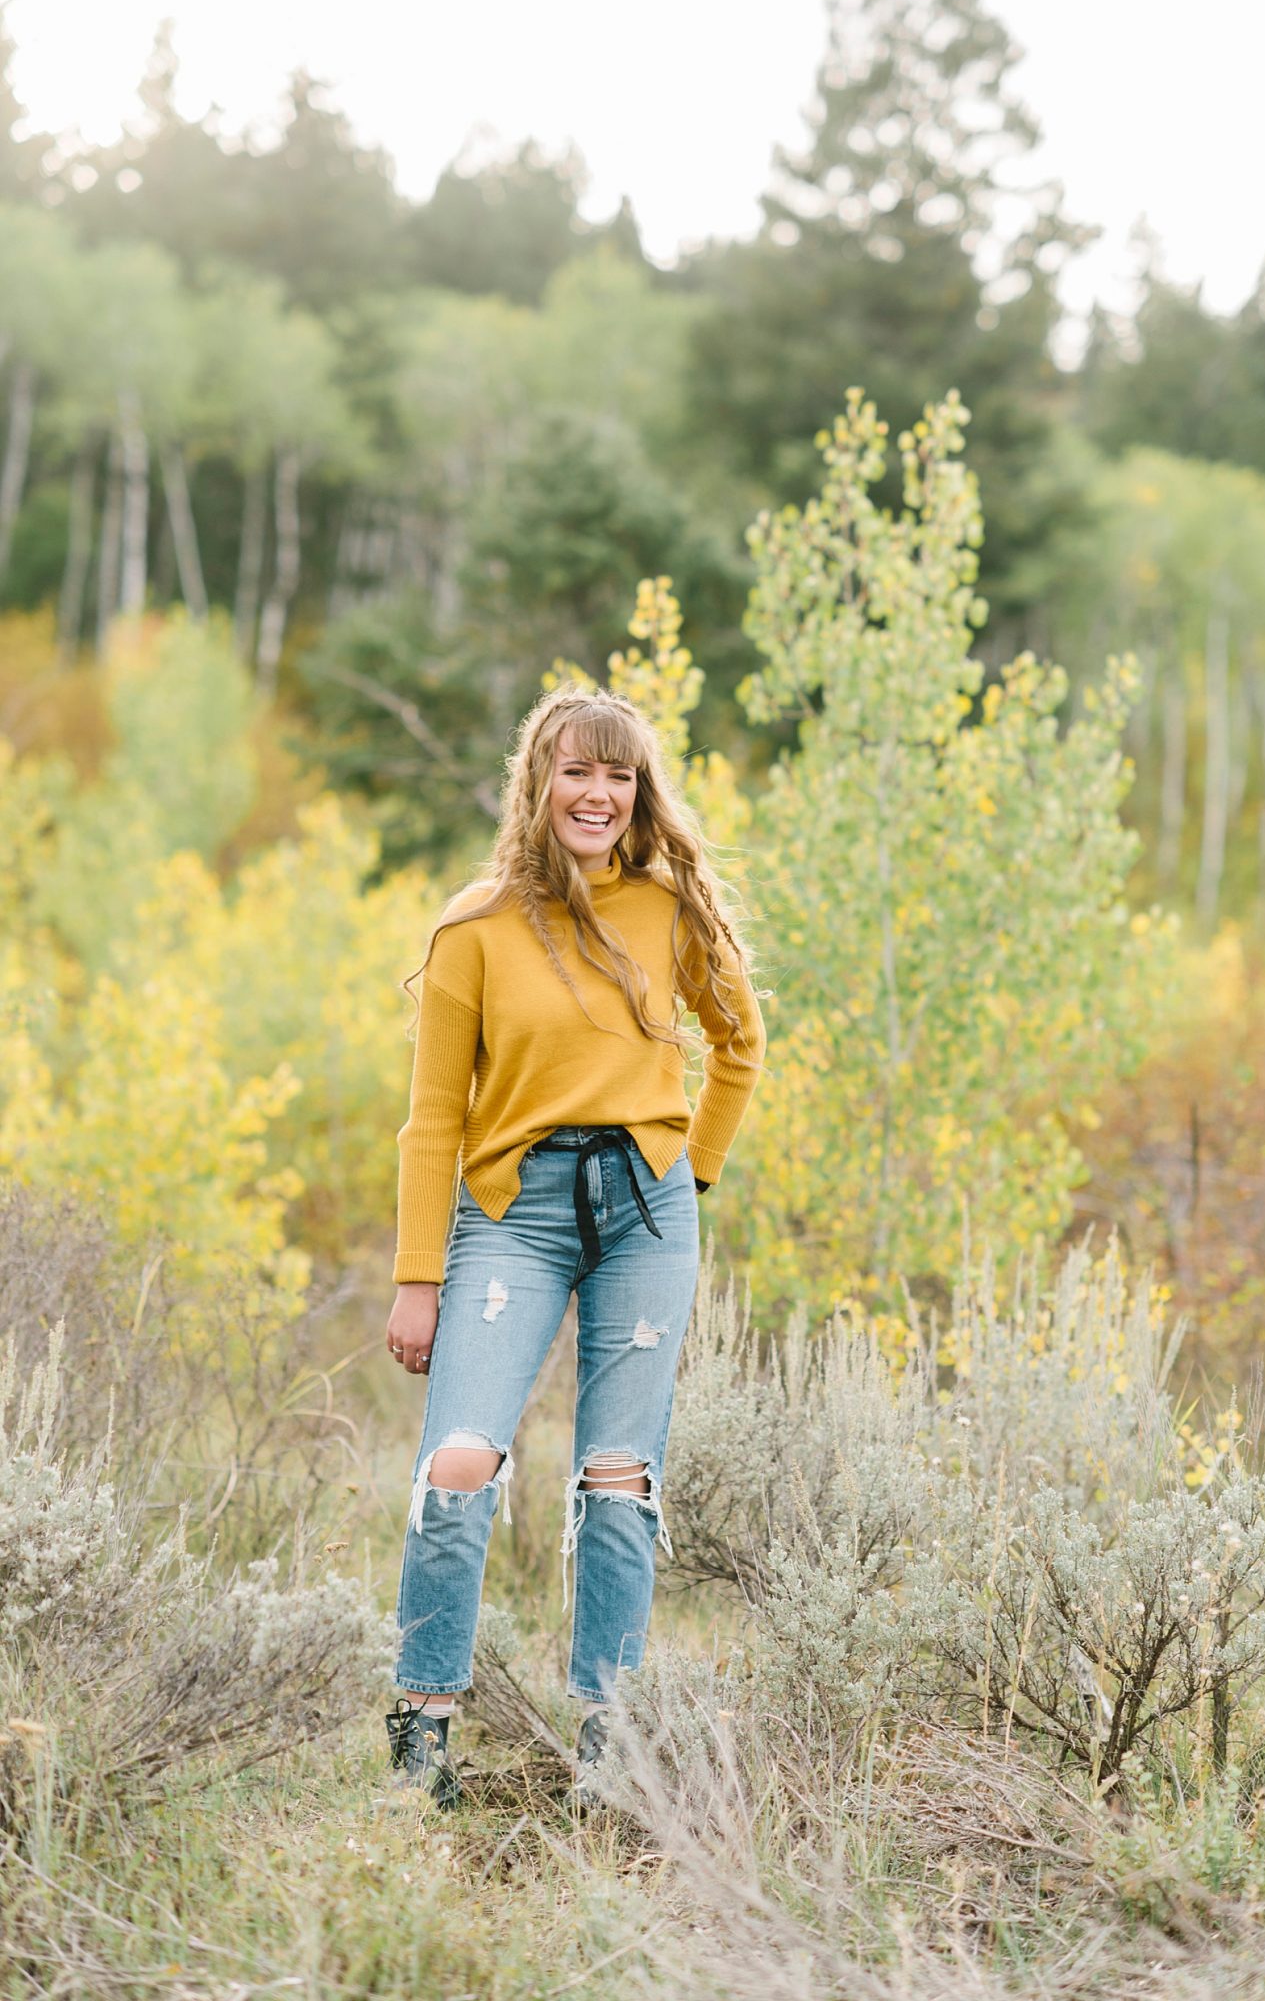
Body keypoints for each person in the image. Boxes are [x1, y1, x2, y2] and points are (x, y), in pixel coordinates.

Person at [382, 682, 767, 1808]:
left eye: (619, 775)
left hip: (647, 1210)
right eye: (577, 771)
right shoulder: (475, 926)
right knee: (459, 1460)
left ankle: (609, 1737)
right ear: (537, 783)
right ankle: (421, 1730)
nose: (598, 794)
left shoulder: (669, 909)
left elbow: (739, 1046)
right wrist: (417, 1276)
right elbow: (433, 1116)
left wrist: (690, 1170)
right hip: (515, 1211)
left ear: (638, 792)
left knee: (618, 1476)